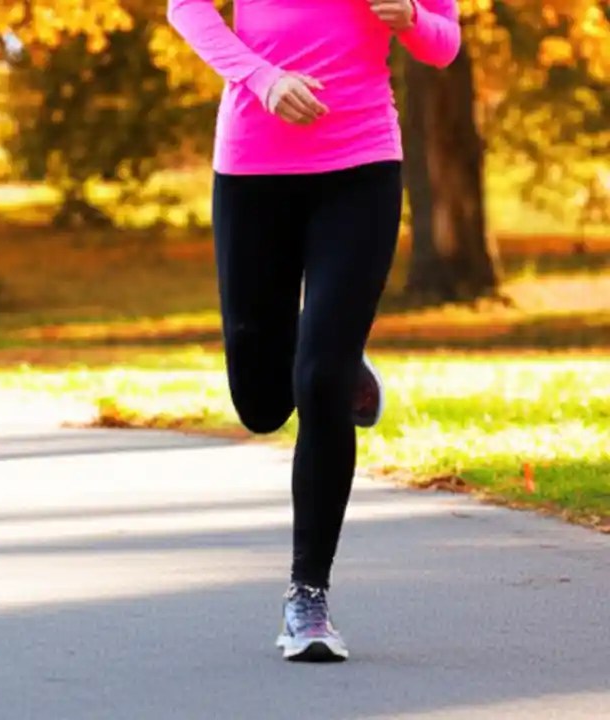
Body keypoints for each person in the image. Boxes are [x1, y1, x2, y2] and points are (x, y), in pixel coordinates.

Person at [167, 0, 460, 662]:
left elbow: (444, 44)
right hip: (252, 169)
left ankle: (309, 599)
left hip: (360, 165)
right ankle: (332, 353)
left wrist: (410, 16)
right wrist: (261, 77)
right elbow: (184, 8)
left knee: (319, 380)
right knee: (263, 403)